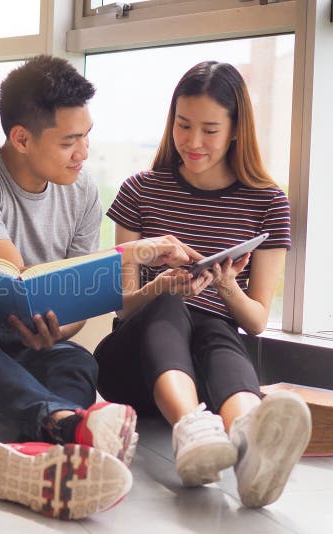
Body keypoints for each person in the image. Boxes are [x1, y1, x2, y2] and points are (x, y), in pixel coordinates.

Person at [0, 55, 200, 520]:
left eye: (86, 136)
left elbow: (76, 305)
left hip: (29, 351)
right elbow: (15, 281)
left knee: (78, 361)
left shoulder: (81, 191)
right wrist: (135, 253)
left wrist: (59, 330)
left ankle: (38, 452)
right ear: (21, 138)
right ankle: (65, 426)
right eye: (69, 141)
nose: (83, 153)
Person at [94, 61, 313, 509]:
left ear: (235, 130)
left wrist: (228, 285)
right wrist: (163, 286)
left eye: (209, 130)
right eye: (183, 125)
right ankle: (190, 427)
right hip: (131, 365)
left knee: (216, 329)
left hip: (206, 365)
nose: (193, 142)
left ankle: (249, 440)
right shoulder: (140, 191)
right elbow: (121, 307)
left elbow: (255, 321)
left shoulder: (268, 203)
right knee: (171, 304)